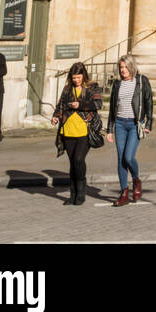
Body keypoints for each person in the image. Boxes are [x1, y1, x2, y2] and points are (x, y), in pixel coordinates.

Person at [106, 53, 153, 207]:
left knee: (128, 157)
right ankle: (124, 193)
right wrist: (109, 129)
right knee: (120, 159)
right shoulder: (117, 84)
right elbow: (113, 107)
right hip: (119, 123)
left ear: (132, 67)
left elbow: (148, 102)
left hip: (134, 124)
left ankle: (136, 179)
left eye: (125, 67)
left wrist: (148, 124)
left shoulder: (141, 81)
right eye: (120, 67)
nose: (122, 70)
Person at [52, 62, 102, 206]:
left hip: (85, 130)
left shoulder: (92, 87)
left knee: (79, 159)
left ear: (84, 75)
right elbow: (60, 105)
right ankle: (72, 195)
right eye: (74, 78)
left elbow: (98, 104)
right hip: (68, 130)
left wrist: (80, 105)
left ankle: (81, 193)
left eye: (79, 78)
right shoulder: (67, 88)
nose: (76, 80)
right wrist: (56, 116)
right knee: (73, 162)